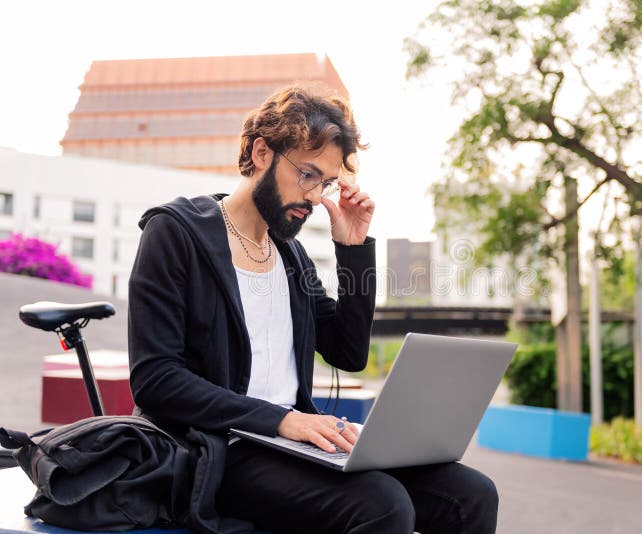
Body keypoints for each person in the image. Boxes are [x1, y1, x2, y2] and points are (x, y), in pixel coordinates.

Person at [128, 84, 499, 533]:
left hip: (290, 442)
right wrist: (282, 420)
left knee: (472, 495)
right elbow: (156, 381)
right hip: (217, 446)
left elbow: (348, 353)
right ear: (262, 153)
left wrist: (354, 249)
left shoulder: (289, 257)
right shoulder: (176, 234)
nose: (314, 196)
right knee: (382, 505)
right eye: (307, 174)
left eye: (324, 182)